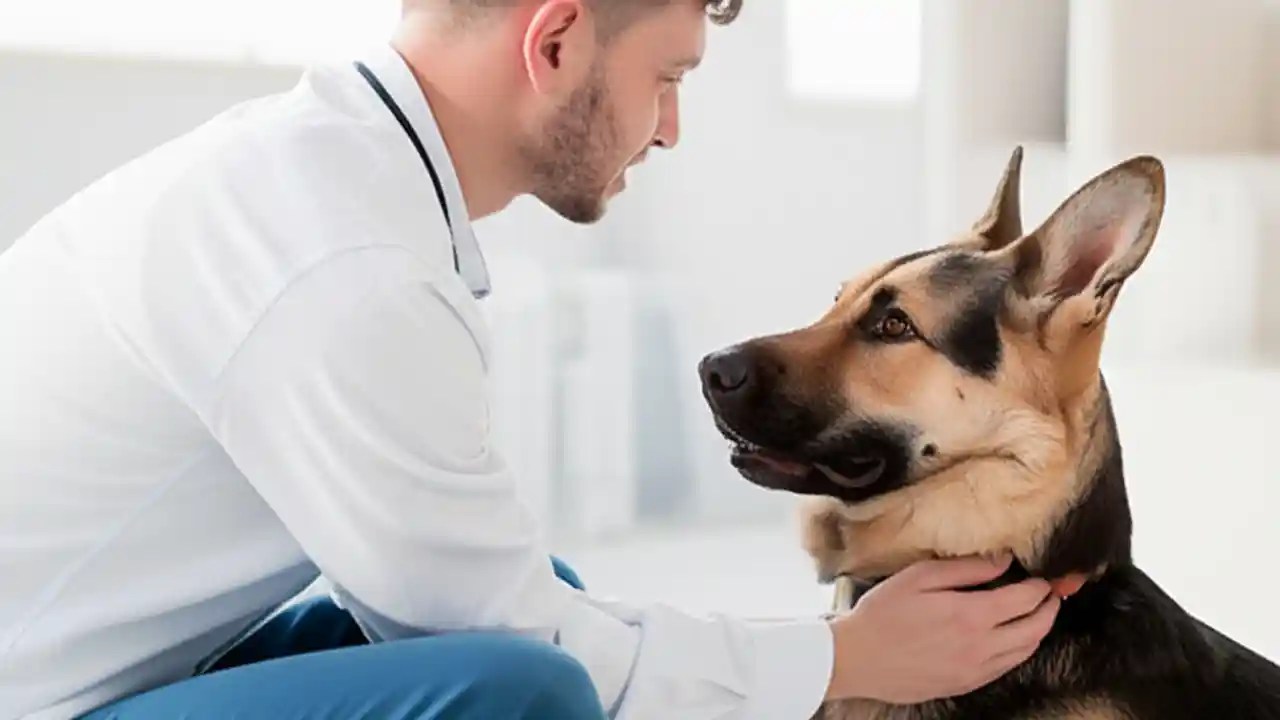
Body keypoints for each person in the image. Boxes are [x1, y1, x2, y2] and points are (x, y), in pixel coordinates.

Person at [0, 1, 1061, 718]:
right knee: (528, 690)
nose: (671, 127)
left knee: (542, 613)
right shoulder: (344, 268)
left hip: (87, 663)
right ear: (553, 42)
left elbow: (496, 596)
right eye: (667, 76)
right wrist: (838, 664)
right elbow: (511, 642)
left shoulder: (322, 181)